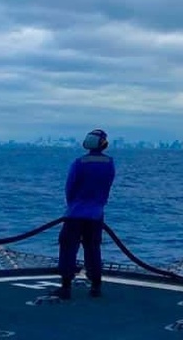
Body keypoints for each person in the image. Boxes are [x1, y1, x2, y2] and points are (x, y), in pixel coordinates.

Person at [52, 128, 116, 299]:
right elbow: (107, 187)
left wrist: (73, 205)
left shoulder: (79, 163)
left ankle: (66, 286)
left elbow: (70, 187)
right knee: (93, 248)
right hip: (96, 213)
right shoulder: (109, 163)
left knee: (68, 247)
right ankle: (96, 286)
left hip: (75, 213)